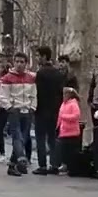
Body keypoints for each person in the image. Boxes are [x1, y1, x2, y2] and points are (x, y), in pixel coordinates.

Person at [0, 51, 37, 176]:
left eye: (22, 62)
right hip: (15, 111)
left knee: (24, 137)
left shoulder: (31, 77)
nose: (19, 64)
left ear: (26, 63)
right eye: (17, 61)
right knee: (17, 136)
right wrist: (9, 107)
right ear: (14, 62)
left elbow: (34, 94)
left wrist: (33, 107)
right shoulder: (8, 78)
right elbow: (3, 95)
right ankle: (21, 158)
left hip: (27, 111)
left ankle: (12, 165)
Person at [33, 45, 66, 175]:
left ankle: (42, 165)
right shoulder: (58, 73)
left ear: (44, 56)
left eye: (38, 56)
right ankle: (54, 164)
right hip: (55, 111)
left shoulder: (40, 73)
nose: (37, 58)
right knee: (53, 138)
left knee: (40, 138)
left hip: (41, 110)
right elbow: (60, 92)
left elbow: (38, 92)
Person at [58, 86, 82, 172]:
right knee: (64, 149)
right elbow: (59, 116)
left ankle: (71, 165)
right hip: (64, 131)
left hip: (72, 132)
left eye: (65, 94)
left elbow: (76, 116)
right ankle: (64, 164)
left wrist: (64, 117)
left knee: (71, 150)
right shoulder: (63, 104)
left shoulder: (73, 104)